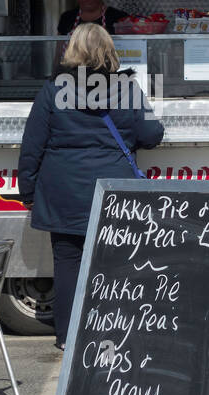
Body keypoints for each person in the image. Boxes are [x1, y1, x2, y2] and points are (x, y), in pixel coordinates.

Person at [18, 25, 164, 349]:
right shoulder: (128, 88)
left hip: (64, 193)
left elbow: (32, 146)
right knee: (113, 263)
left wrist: (27, 190)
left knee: (67, 262)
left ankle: (68, 337)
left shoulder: (53, 89)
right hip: (113, 191)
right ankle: (111, 331)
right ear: (109, 50)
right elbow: (152, 134)